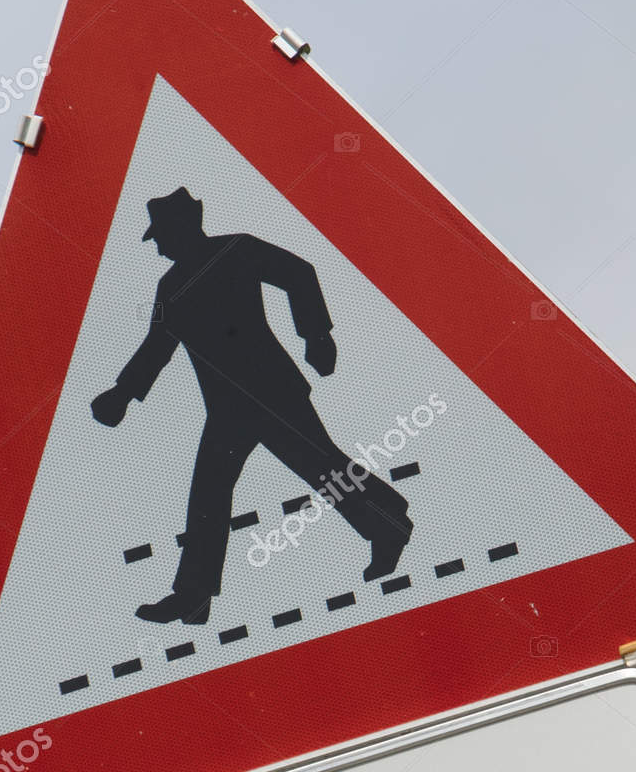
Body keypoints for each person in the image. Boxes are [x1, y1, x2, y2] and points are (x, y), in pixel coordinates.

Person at [91, 188, 413, 624]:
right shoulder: (170, 288)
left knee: (321, 466)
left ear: (184, 228)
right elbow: (157, 347)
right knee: (212, 493)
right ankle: (194, 595)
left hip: (273, 391)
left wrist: (316, 336)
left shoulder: (235, 250)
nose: (159, 246)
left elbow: (298, 273)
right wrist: (122, 395)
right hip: (227, 409)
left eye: (162, 235)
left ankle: (388, 525)